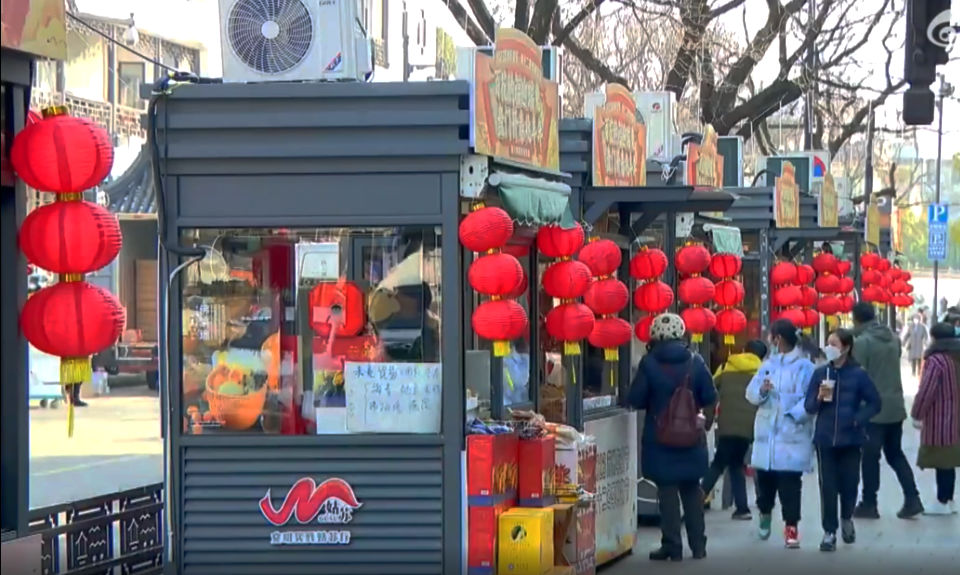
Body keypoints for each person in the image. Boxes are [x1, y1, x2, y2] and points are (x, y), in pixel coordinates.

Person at [628, 313, 717, 562]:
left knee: (667, 492)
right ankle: (699, 546)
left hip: (660, 438)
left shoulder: (649, 363)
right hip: (691, 437)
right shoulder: (696, 362)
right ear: (682, 334)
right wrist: (703, 422)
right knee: (691, 490)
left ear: (654, 336)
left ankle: (672, 546)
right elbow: (710, 396)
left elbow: (635, 398)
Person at [804, 329, 882, 552]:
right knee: (827, 487)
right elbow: (809, 407)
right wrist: (818, 397)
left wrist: (859, 420)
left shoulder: (859, 375)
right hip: (825, 439)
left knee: (849, 485)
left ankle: (847, 517)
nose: (829, 347)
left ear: (846, 347)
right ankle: (829, 531)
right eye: (827, 343)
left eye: (834, 343)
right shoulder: (820, 374)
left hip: (851, 439)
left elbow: (875, 403)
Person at [746, 318, 816, 549]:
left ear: (778, 338)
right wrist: (762, 391)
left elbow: (810, 399)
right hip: (766, 433)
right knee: (764, 482)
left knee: (790, 485)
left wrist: (791, 414)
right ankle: (764, 513)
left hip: (791, 435)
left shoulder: (805, 367)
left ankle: (791, 527)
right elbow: (751, 392)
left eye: (772, 337)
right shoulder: (768, 364)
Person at [850, 302, 924, 519]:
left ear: (856, 319)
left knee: (870, 457)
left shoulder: (862, 342)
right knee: (894, 453)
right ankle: (913, 497)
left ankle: (869, 503)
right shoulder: (892, 337)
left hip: (873, 410)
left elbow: (856, 374)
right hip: (895, 406)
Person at [702, 339, 768, 520]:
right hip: (750, 427)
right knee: (735, 464)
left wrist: (708, 419)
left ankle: (698, 498)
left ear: (745, 349)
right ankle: (742, 508)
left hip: (727, 423)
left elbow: (710, 390)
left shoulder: (726, 366)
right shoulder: (763, 372)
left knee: (719, 463)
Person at [910, 322, 960, 515]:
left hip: (941, 416)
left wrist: (917, 413)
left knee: (942, 460)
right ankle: (949, 500)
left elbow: (926, 391)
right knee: (950, 460)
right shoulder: (956, 357)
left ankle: (942, 501)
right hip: (956, 416)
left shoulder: (937, 360)